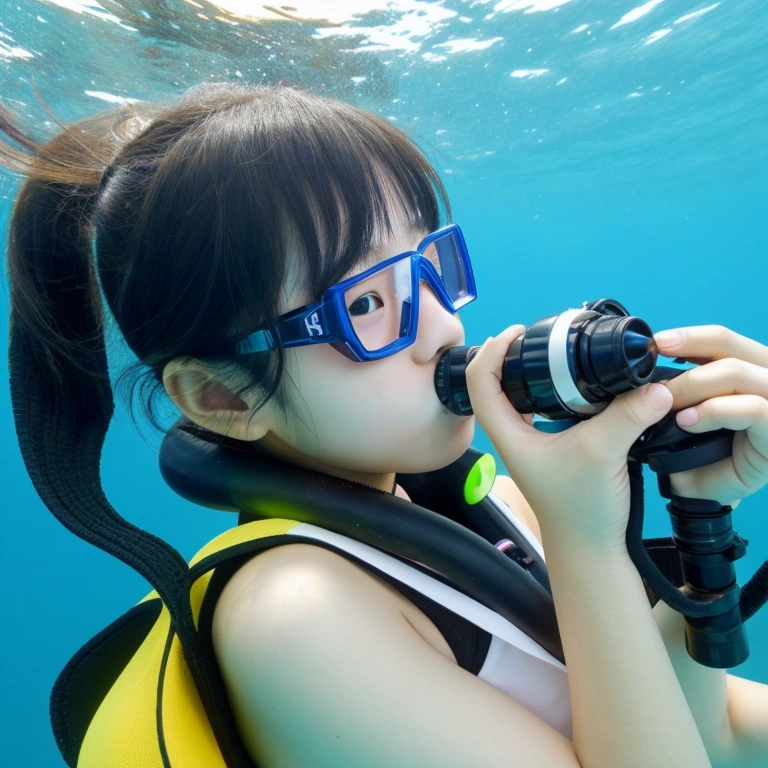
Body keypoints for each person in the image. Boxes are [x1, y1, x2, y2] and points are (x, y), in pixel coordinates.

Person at [3, 83, 767, 768]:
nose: (438, 330)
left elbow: (711, 732)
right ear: (222, 397)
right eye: (367, 304)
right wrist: (589, 545)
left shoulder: (489, 507)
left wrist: (699, 508)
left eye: (428, 270)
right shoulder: (297, 618)